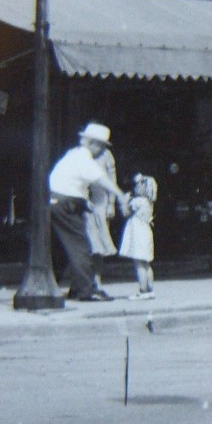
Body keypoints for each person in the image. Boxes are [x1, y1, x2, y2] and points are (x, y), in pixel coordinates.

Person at [48, 122, 127, 302]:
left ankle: (70, 287)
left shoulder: (71, 154)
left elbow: (68, 180)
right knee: (81, 247)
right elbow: (102, 179)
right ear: (94, 144)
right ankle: (86, 289)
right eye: (101, 146)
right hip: (67, 204)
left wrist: (84, 201)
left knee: (62, 248)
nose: (102, 150)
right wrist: (121, 196)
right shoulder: (85, 159)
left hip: (56, 201)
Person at [84, 142, 122, 292]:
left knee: (99, 243)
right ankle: (83, 280)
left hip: (101, 201)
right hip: (85, 198)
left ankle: (97, 280)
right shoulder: (83, 153)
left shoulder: (106, 155)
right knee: (86, 242)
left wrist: (111, 204)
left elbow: (112, 180)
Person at [120, 173, 157, 300]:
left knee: (138, 263)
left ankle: (142, 290)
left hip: (137, 233)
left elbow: (125, 213)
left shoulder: (137, 201)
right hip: (146, 232)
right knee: (146, 263)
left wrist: (124, 201)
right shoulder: (148, 203)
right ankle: (150, 289)